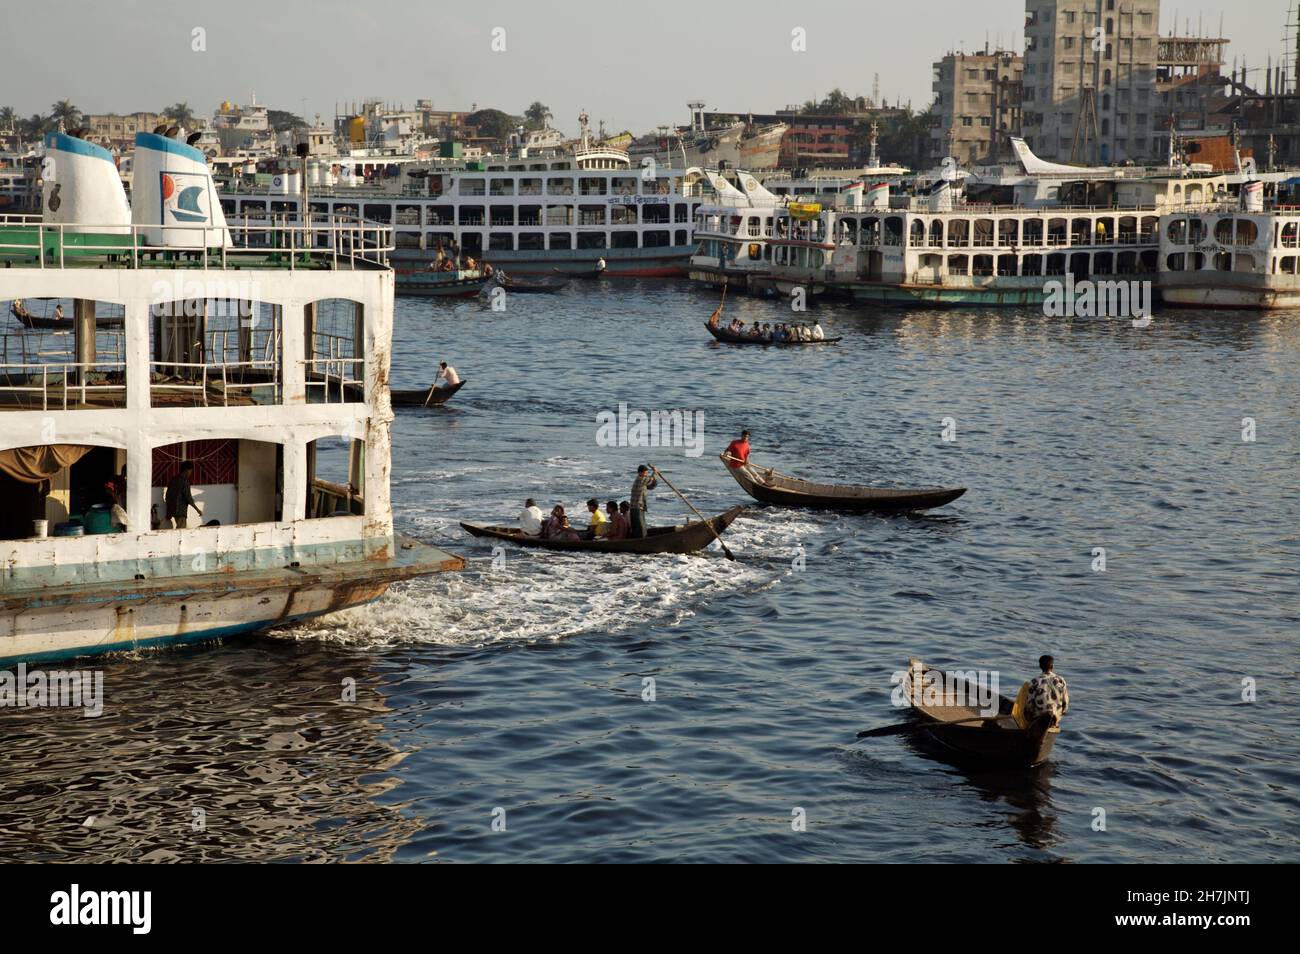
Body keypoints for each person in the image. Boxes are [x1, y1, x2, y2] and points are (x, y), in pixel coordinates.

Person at [1013, 655, 1070, 728]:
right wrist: (1059, 715)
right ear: (1052, 666)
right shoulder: (1061, 680)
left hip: (1039, 718)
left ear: (1040, 666)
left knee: (1026, 709)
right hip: (1055, 718)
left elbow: (1030, 706)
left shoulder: (1034, 682)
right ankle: (1053, 724)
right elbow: (1065, 704)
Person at [164, 460, 201, 529]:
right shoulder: (185, 481)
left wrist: (169, 509)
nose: (190, 473)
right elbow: (188, 498)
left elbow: (168, 495)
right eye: (191, 471)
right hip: (181, 511)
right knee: (181, 531)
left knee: (179, 529)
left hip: (172, 510)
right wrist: (197, 510)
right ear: (187, 470)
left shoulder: (174, 479)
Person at [628, 465, 657, 538]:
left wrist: (654, 473)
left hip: (638, 506)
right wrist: (654, 472)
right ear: (640, 473)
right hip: (637, 506)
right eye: (645, 473)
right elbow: (651, 479)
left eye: (647, 473)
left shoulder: (642, 480)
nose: (646, 474)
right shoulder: (640, 479)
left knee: (639, 524)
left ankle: (639, 537)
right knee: (640, 525)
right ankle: (641, 539)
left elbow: (651, 485)